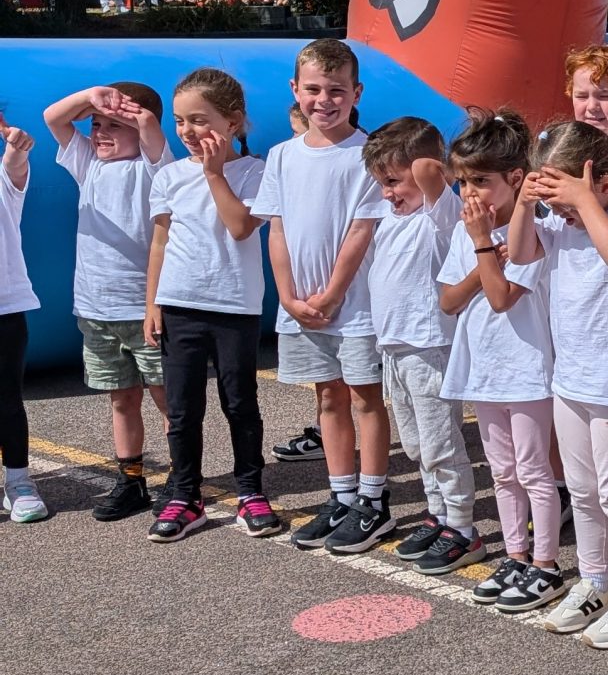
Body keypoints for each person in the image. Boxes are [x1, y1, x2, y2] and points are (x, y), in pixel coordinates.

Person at [504, 120, 608, 649]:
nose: (563, 212)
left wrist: (583, 201)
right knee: (585, 490)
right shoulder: (563, 222)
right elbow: (522, 255)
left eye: (566, 197)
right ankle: (593, 580)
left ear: (600, 178)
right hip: (571, 375)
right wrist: (527, 203)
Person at [259, 38, 391, 556]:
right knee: (328, 398)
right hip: (301, 307)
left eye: (337, 90)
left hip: (355, 306)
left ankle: (373, 500)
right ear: (296, 91)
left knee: (364, 398)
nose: (325, 100)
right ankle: (341, 494)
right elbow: (278, 229)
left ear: (356, 92)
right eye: (313, 89)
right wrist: (289, 297)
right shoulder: (281, 155)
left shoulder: (369, 154)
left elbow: (362, 230)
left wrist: (333, 294)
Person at [143, 69, 281, 539]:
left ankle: (250, 491)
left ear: (233, 122)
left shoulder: (256, 171)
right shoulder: (167, 177)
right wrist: (152, 303)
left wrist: (214, 173)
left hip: (233, 307)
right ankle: (185, 495)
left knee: (239, 402)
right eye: (180, 121)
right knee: (182, 409)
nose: (186, 131)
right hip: (179, 304)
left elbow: (241, 227)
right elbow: (160, 242)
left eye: (198, 119)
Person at [438, 110, 563, 615]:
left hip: (528, 368)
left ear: (516, 179)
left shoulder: (535, 231)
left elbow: (501, 298)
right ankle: (515, 554)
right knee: (503, 471)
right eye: (463, 181)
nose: (470, 193)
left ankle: (546, 563)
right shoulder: (471, 233)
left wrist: (486, 246)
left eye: (481, 181)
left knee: (535, 471)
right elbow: (450, 300)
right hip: (485, 367)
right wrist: (481, 246)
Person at [44, 82, 172, 520]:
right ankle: (132, 479)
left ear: (140, 127)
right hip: (96, 310)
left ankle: (181, 477)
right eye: (97, 124)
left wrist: (140, 119)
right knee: (121, 399)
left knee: (167, 399)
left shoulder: (155, 170)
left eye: (115, 126)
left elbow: (155, 141)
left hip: (145, 311)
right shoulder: (89, 165)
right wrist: (92, 96)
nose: (100, 133)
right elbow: (53, 118)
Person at [361, 117, 478, 575]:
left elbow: (430, 168)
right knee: (414, 445)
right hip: (395, 349)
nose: (388, 192)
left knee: (441, 443)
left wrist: (429, 165)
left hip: (429, 348)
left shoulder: (439, 214)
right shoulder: (391, 218)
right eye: (381, 183)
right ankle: (439, 514)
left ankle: (464, 529)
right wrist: (393, 184)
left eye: (393, 181)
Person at [0, 104, 47, 524]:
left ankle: (18, 480)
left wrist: (16, 148)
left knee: (7, 401)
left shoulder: (4, 177)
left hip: (5, 308)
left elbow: (15, 164)